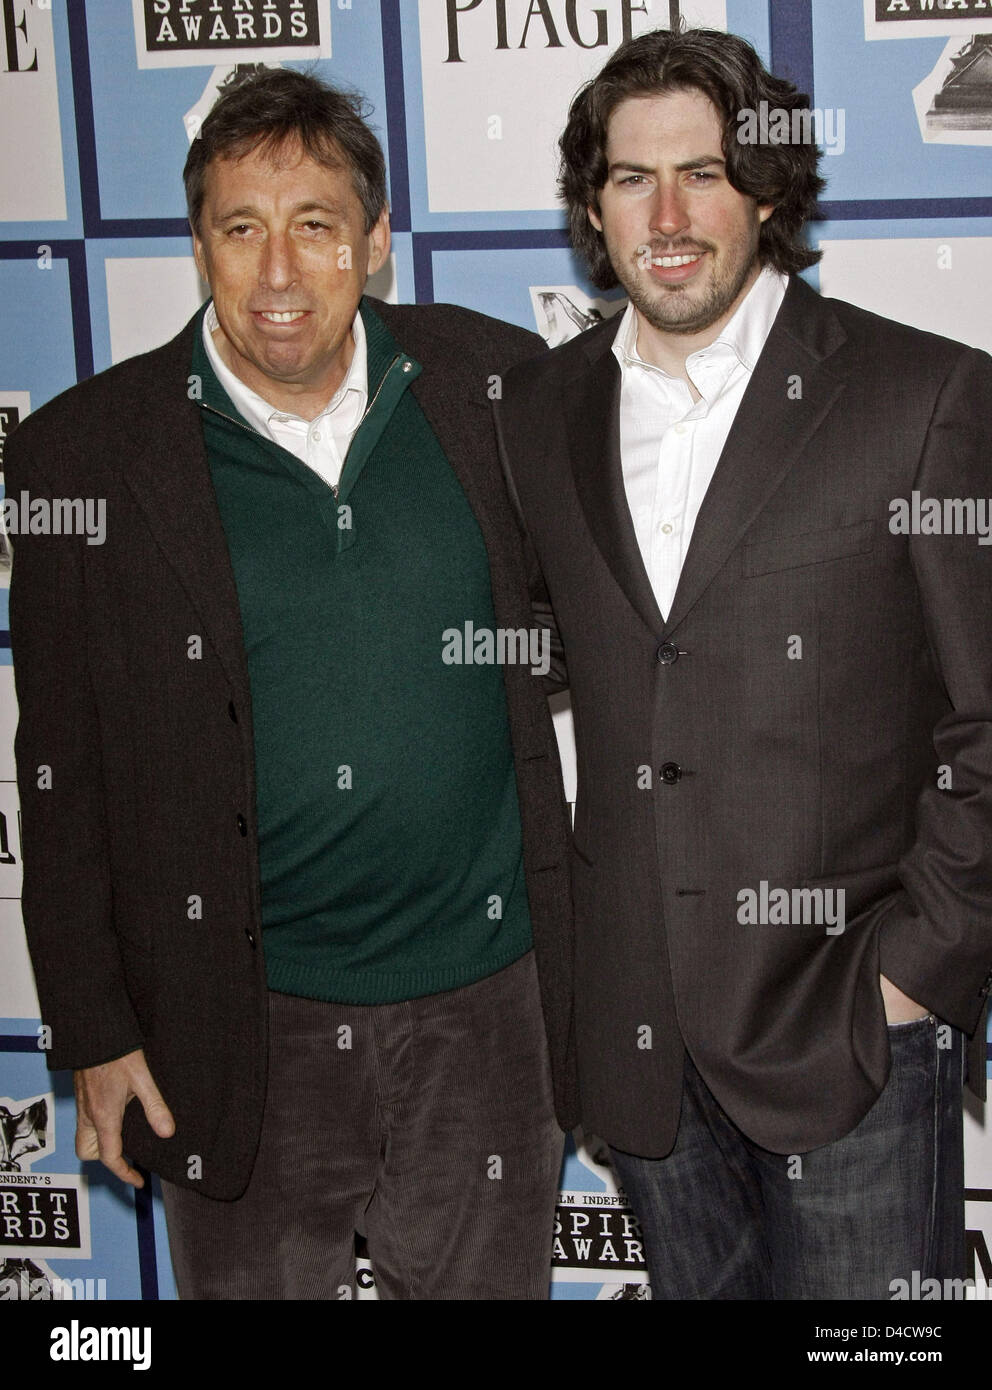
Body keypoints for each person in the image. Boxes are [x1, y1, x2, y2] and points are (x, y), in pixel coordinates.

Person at [5, 66, 575, 1300]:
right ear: (198, 243)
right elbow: (58, 772)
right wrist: (94, 1029)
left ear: (373, 240)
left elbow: (585, 617)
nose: (277, 272)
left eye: (315, 225)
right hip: (237, 1026)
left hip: (487, 1011)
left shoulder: (492, 381)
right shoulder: (84, 457)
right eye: (240, 228)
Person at [494, 27, 992, 1300]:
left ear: (766, 191)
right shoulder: (539, 412)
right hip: (641, 1045)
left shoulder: (920, 396)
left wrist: (915, 972)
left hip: (851, 1031)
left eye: (702, 175)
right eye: (629, 179)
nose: (664, 217)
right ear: (591, 206)